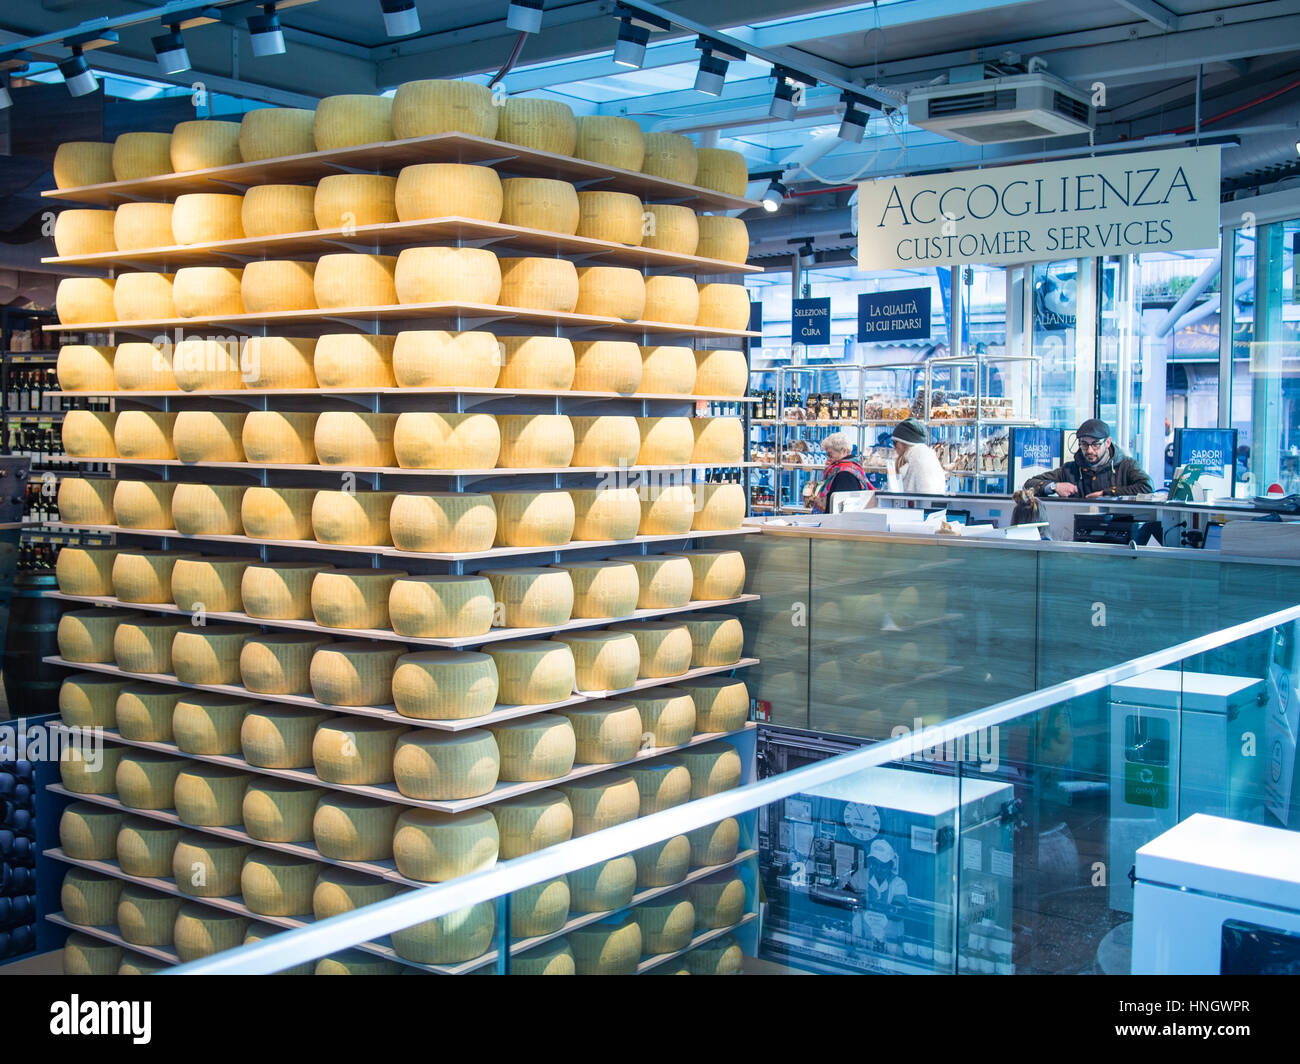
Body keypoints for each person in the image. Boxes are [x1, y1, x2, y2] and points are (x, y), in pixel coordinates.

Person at [1024, 418, 1153, 499]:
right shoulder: (1070, 470)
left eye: (1095, 444)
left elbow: (1147, 487)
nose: (1089, 450)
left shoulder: (1126, 465)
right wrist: (1054, 486)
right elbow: (1029, 484)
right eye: (1084, 444)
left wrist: (1107, 493)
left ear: (1107, 443)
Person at [808, 431, 869, 513]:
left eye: (830, 455)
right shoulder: (852, 468)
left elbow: (841, 508)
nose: (828, 459)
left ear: (844, 451)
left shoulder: (845, 474)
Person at [891, 417, 947, 495]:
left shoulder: (920, 459)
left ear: (904, 442)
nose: (894, 447)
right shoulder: (918, 456)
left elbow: (926, 495)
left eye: (895, 442)